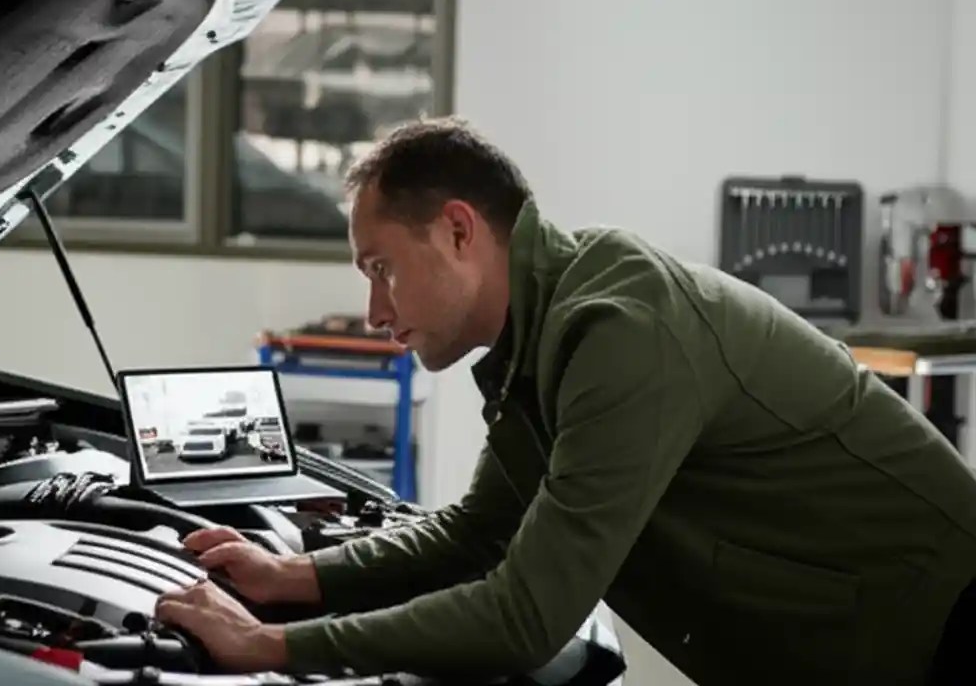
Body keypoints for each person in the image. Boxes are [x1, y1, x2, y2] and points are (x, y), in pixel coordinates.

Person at [155, 117, 976, 684]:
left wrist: (271, 648)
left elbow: (525, 617)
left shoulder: (619, 330)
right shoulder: (543, 336)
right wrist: (290, 574)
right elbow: (478, 532)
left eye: (381, 268)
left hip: (939, 632)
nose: (375, 311)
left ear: (458, 232)